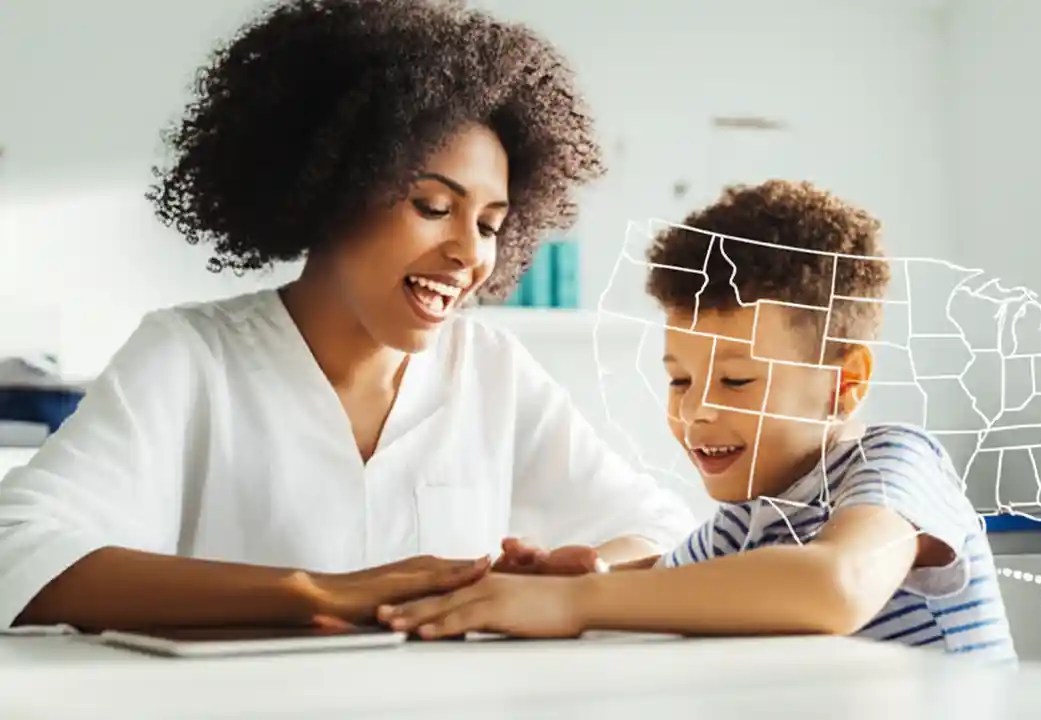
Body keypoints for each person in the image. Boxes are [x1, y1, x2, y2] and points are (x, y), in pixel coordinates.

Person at [0, 0, 695, 631]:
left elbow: (664, 528)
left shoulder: (490, 370)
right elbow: (19, 548)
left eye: (489, 223)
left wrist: (582, 577)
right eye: (432, 207)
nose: (467, 253)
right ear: (335, 187)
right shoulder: (191, 357)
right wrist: (316, 592)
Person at [378, 180, 1018, 662]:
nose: (694, 409)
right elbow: (676, 588)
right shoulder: (742, 528)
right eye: (679, 378)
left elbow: (837, 583)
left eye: (737, 379)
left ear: (844, 383)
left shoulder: (895, 465)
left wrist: (572, 603)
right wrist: (580, 576)